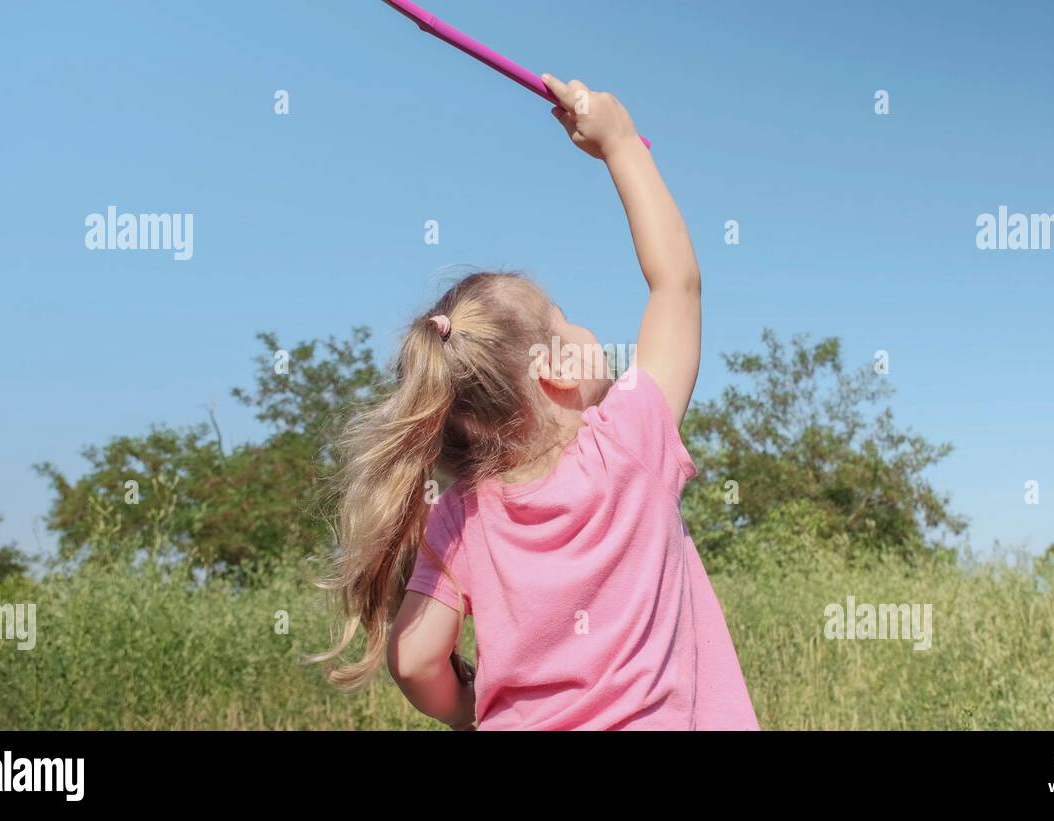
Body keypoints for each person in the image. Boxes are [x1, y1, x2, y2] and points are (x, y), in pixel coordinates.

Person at [318, 75, 759, 730]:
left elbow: (413, 659)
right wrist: (622, 144)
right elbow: (678, 284)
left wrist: (472, 708)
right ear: (556, 370)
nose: (587, 331)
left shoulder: (461, 516)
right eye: (567, 320)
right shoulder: (629, 443)